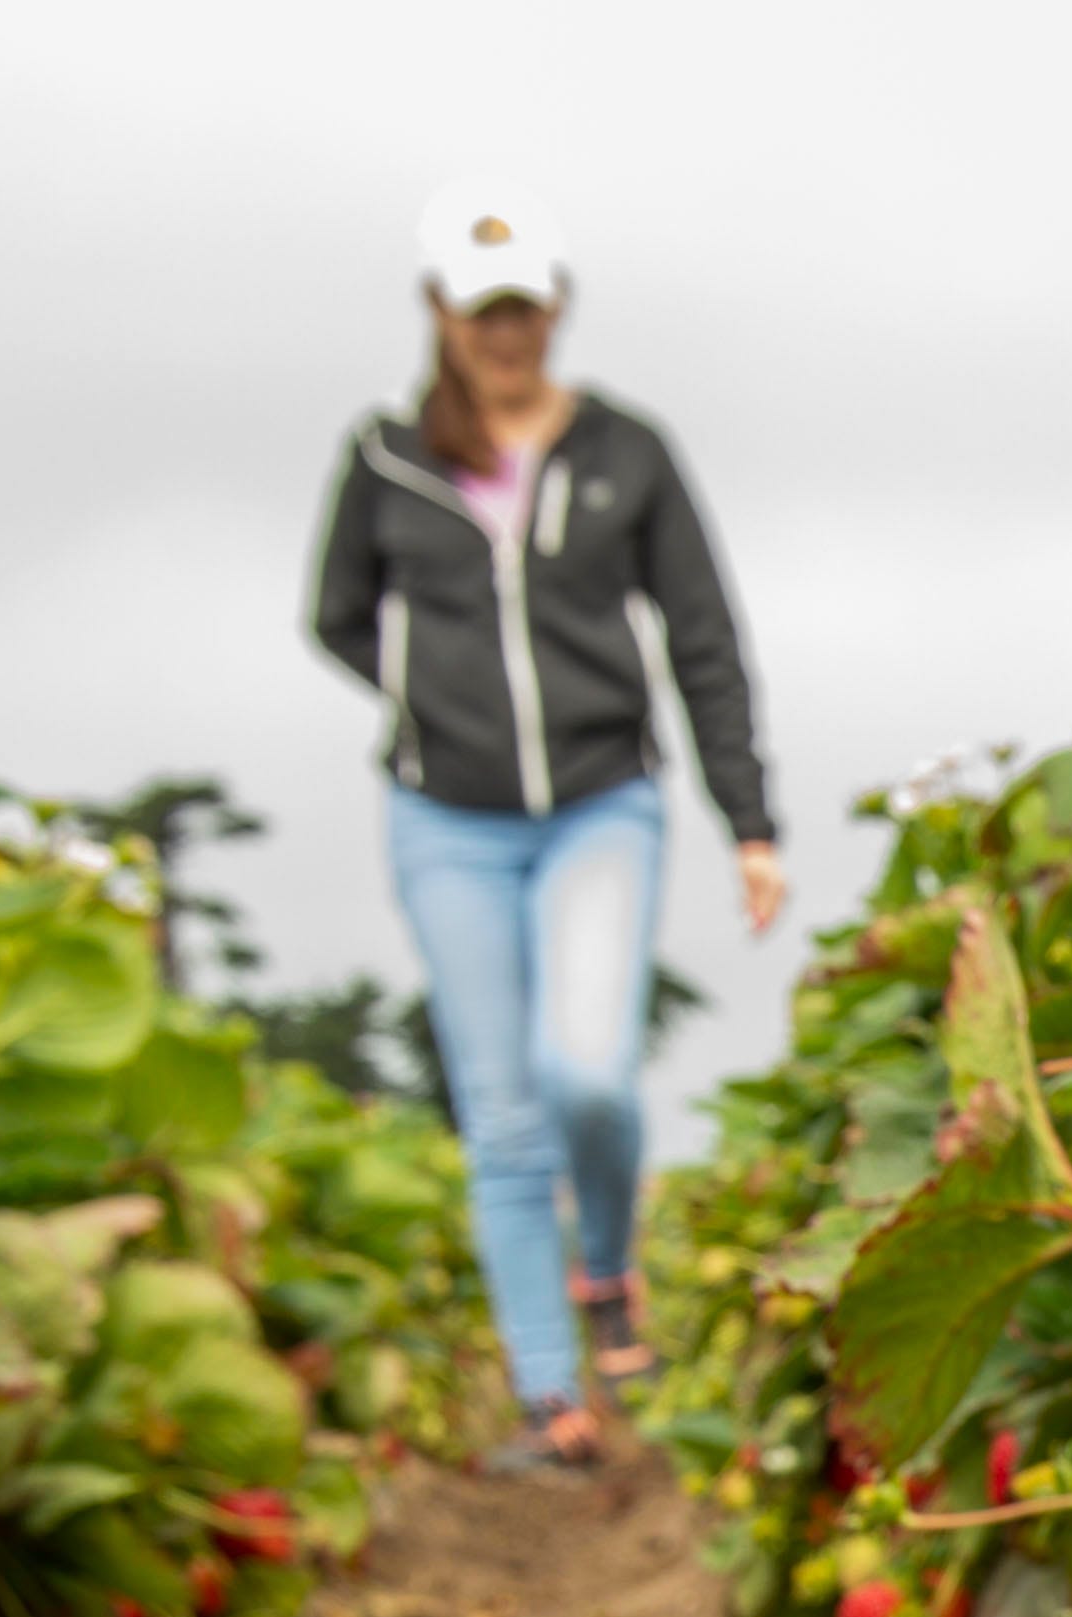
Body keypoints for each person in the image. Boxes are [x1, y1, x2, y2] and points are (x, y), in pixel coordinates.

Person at [310, 182, 787, 1470]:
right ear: (442, 316)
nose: (506, 333)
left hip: (600, 803)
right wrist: (431, 702)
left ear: (556, 308)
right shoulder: (385, 458)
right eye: (482, 313)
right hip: (443, 819)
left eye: (524, 308)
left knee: (587, 1068)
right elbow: (336, 615)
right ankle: (546, 1394)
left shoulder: (627, 452)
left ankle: (609, 1269)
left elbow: (702, 638)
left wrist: (748, 819)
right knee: (503, 1115)